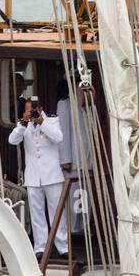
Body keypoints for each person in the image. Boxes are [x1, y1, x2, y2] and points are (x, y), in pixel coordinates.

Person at [8, 97, 66, 258]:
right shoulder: (23, 125)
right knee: (36, 212)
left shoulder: (52, 121)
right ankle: (40, 247)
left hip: (52, 175)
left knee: (57, 212)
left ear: (40, 108)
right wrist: (23, 123)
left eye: (32, 109)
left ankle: (63, 246)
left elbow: (58, 137)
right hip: (33, 176)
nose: (30, 112)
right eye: (27, 110)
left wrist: (41, 122)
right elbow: (12, 140)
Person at [56, 78, 94, 237]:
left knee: (85, 197)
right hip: (74, 160)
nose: (87, 92)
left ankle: (84, 228)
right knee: (73, 197)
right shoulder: (65, 104)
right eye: (83, 89)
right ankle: (73, 230)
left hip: (87, 161)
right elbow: (63, 134)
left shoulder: (88, 107)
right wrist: (65, 159)